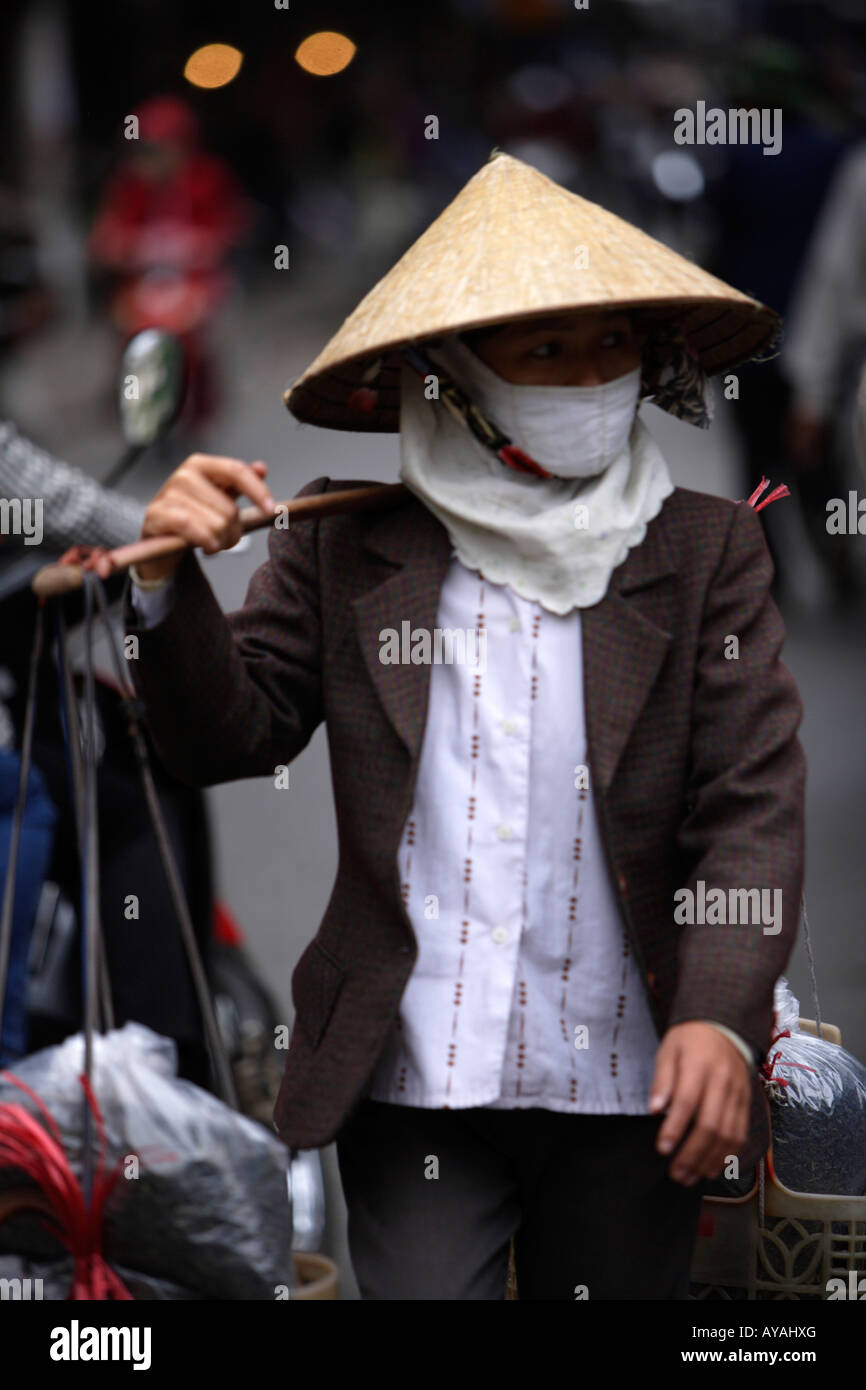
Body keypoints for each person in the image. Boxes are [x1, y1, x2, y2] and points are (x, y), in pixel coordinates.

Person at [121, 153, 805, 1300]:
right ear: (453, 377)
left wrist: (718, 1020)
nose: (588, 376)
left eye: (610, 345)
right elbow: (225, 736)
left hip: (635, 1081)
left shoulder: (703, 553)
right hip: (412, 1078)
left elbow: (750, 805)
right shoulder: (342, 546)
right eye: (544, 351)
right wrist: (164, 588)